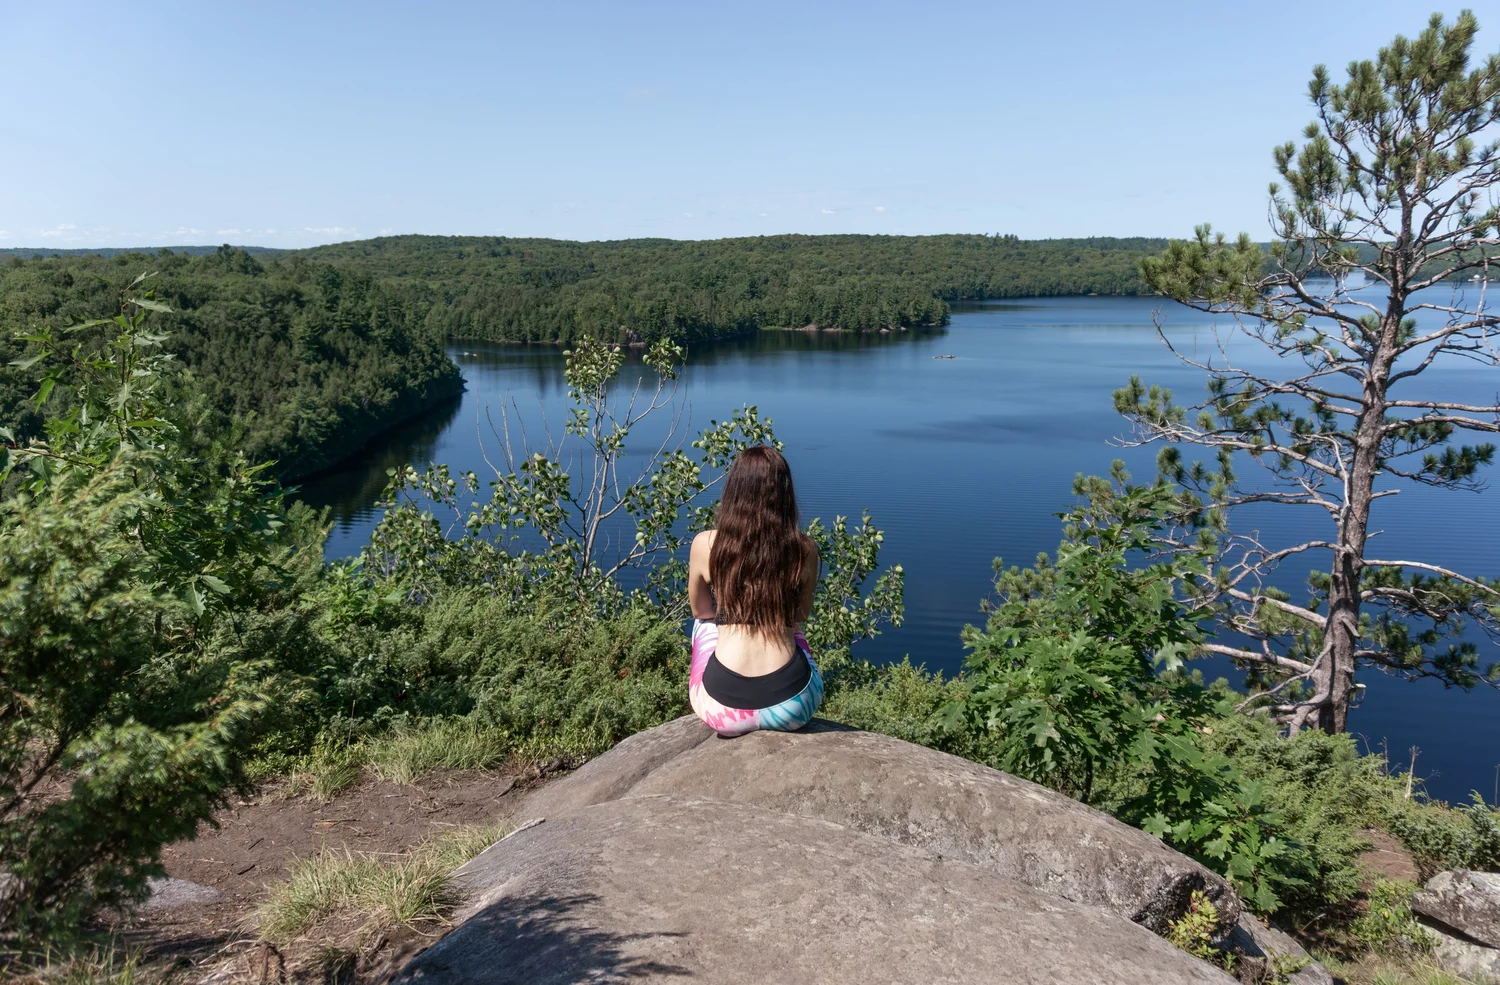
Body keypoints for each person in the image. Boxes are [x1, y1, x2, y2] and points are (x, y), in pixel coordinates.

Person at [687, 445, 823, 736]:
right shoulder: (804, 549)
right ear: (785, 495)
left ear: (734, 490)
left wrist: (730, 616)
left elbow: (701, 611)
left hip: (722, 708)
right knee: (793, 628)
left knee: (703, 625)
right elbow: (800, 614)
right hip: (795, 706)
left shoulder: (706, 544)